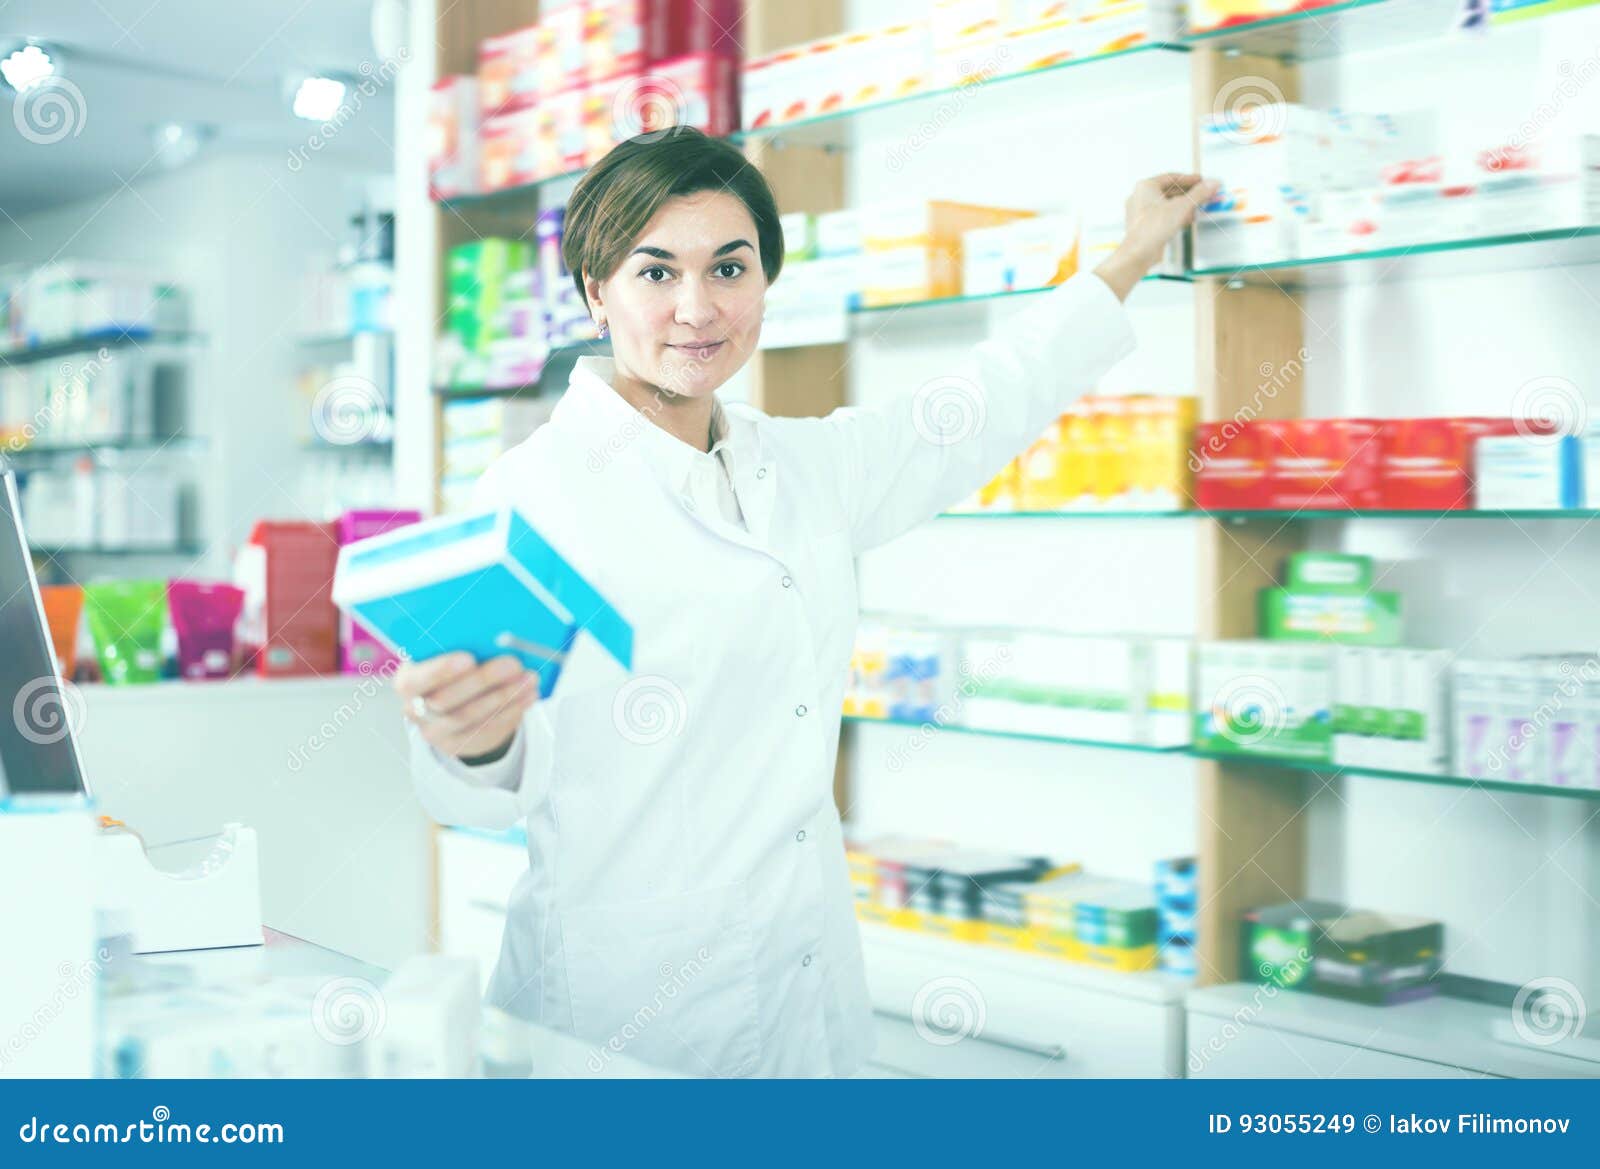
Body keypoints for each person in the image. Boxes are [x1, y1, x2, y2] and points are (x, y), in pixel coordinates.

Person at [397, 126, 1216, 1078]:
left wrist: (1130, 254)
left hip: (805, 986)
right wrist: (475, 740)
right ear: (595, 292)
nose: (697, 308)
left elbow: (979, 405)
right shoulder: (532, 495)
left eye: (729, 267)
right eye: (655, 273)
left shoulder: (798, 464)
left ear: (764, 282)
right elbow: (465, 779)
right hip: (624, 1010)